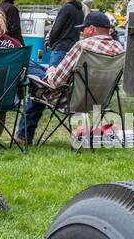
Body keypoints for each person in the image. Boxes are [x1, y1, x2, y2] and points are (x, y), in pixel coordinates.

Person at [16, 10, 124, 146]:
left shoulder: (83, 46)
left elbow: (55, 82)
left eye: (83, 29)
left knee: (32, 74)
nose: (82, 33)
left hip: (69, 99)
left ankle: (23, 136)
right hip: (99, 101)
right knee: (40, 80)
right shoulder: (119, 49)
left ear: (91, 29)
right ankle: (23, 136)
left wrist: (51, 71)